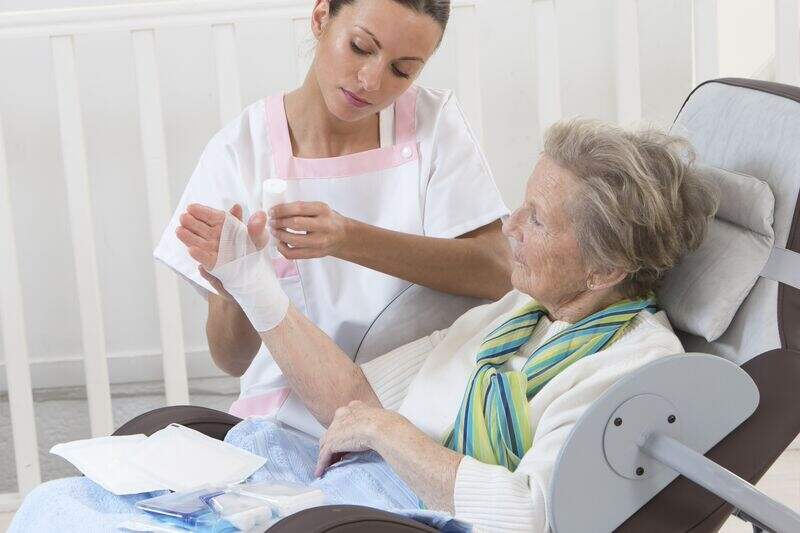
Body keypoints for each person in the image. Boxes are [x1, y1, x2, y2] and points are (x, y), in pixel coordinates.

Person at [10, 119, 717, 532]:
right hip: (344, 487)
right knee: (52, 504)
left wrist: (390, 433)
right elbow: (356, 402)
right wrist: (253, 285)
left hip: (385, 519)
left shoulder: (629, 369)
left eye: (536, 218)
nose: (509, 228)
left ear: (603, 269)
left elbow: (532, 513)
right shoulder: (518, 316)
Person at [154, 0, 512, 420]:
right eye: (360, 47)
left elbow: (499, 273)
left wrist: (348, 239)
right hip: (290, 414)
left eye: (402, 70)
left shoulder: (434, 125)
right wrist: (237, 287)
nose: (371, 81)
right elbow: (232, 360)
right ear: (321, 17)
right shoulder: (239, 152)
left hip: (420, 404)